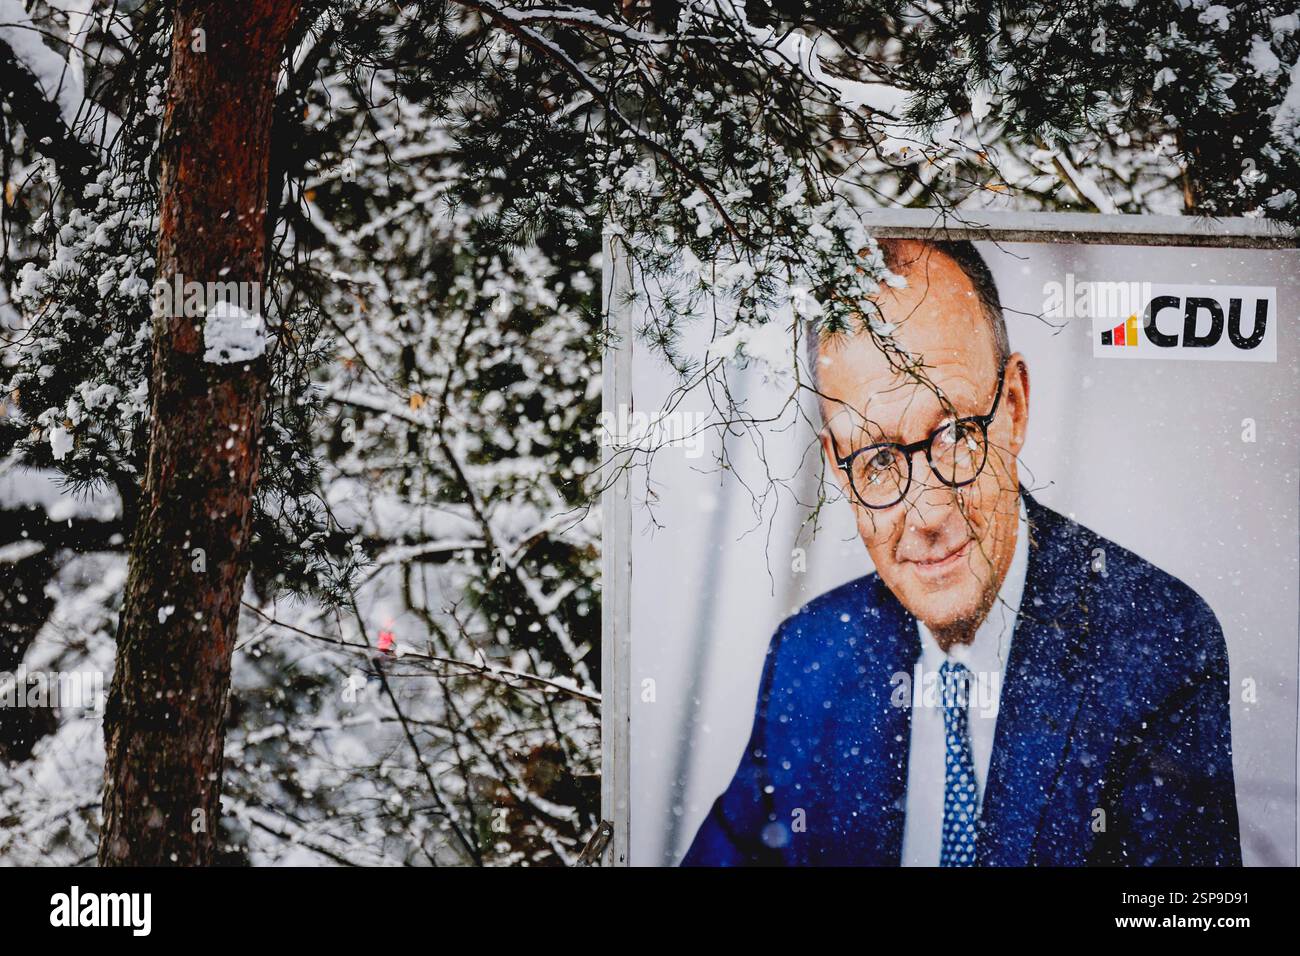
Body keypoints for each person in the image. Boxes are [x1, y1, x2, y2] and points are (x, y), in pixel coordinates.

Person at [682, 239, 1241, 866]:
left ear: (1014, 409)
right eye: (878, 457)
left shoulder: (1159, 640)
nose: (927, 514)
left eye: (953, 434)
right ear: (840, 470)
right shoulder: (808, 656)